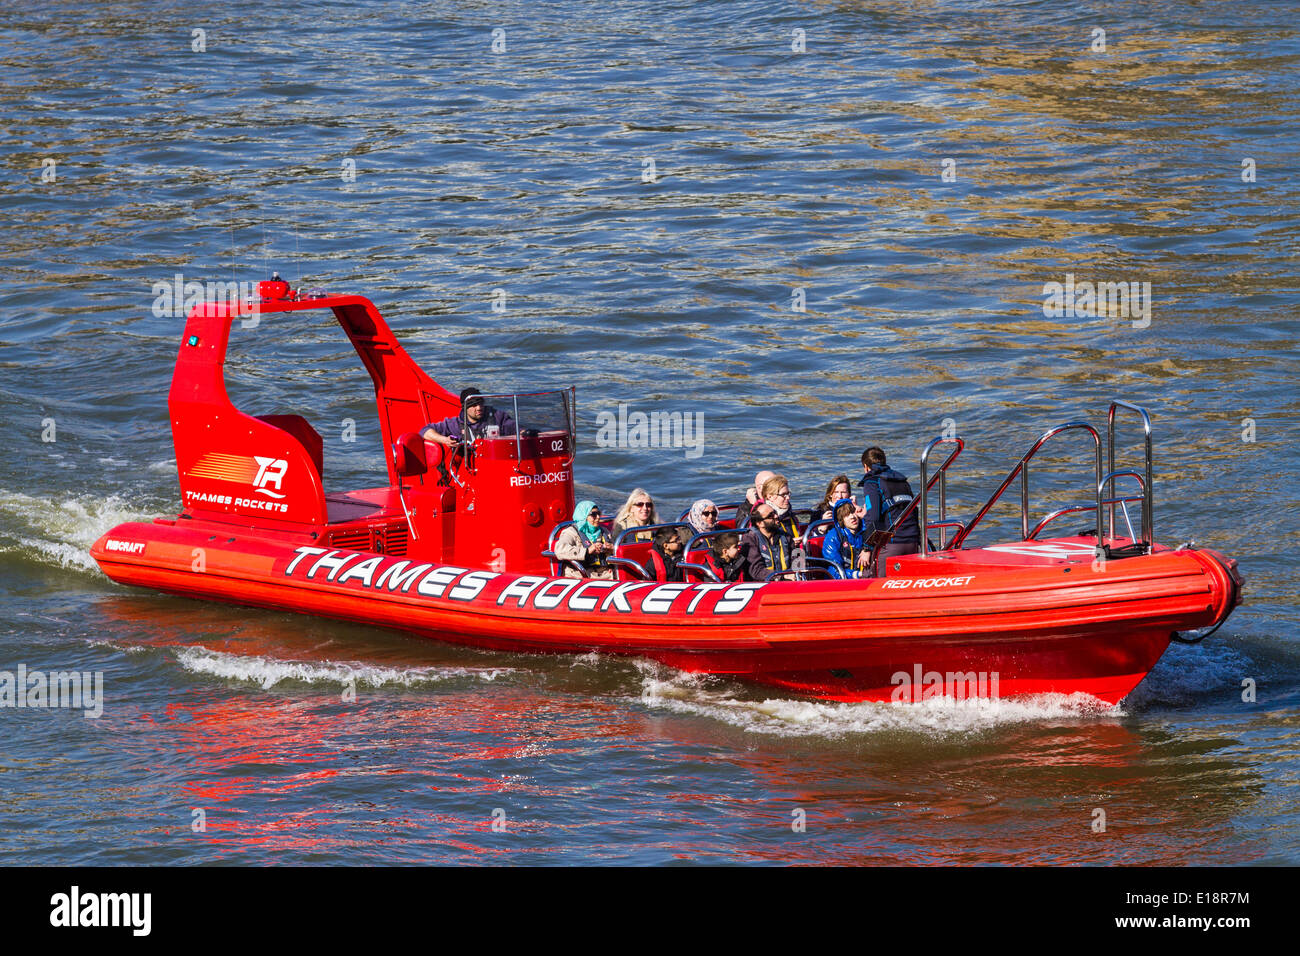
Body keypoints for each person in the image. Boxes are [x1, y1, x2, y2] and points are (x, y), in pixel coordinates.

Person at [859, 446, 921, 569]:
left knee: (876, 582)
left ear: (866, 466)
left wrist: (867, 548)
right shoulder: (902, 481)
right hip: (913, 542)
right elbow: (914, 510)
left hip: (892, 545)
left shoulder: (871, 482)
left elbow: (873, 517)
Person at [421, 387, 517, 446]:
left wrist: (523, 432)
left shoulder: (497, 417)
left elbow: (517, 430)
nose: (479, 408)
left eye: (481, 403)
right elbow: (424, 431)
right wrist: (445, 440)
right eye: (474, 405)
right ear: (465, 407)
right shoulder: (455, 424)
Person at [553, 500, 614, 579]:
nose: (598, 517)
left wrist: (612, 549)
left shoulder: (605, 532)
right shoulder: (571, 532)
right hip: (580, 576)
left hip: (605, 575)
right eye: (594, 514)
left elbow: (615, 553)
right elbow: (560, 550)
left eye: (599, 513)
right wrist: (587, 551)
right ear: (583, 516)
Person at [738, 503, 796, 581]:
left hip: (787, 582)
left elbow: (797, 556)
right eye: (770, 516)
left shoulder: (786, 536)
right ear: (760, 523)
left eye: (775, 512)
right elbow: (756, 570)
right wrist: (782, 577)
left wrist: (797, 570)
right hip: (762, 585)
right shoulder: (750, 539)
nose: (776, 516)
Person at [821, 498, 873, 579]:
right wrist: (857, 574)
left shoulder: (867, 531)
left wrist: (868, 549)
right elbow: (834, 570)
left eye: (853, 512)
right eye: (846, 515)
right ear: (841, 520)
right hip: (840, 583)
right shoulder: (833, 537)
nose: (852, 517)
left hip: (865, 577)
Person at [761, 475, 801, 541]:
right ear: (770, 497)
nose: (788, 497)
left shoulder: (790, 515)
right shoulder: (763, 518)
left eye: (788, 493)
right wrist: (790, 543)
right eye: (783, 495)